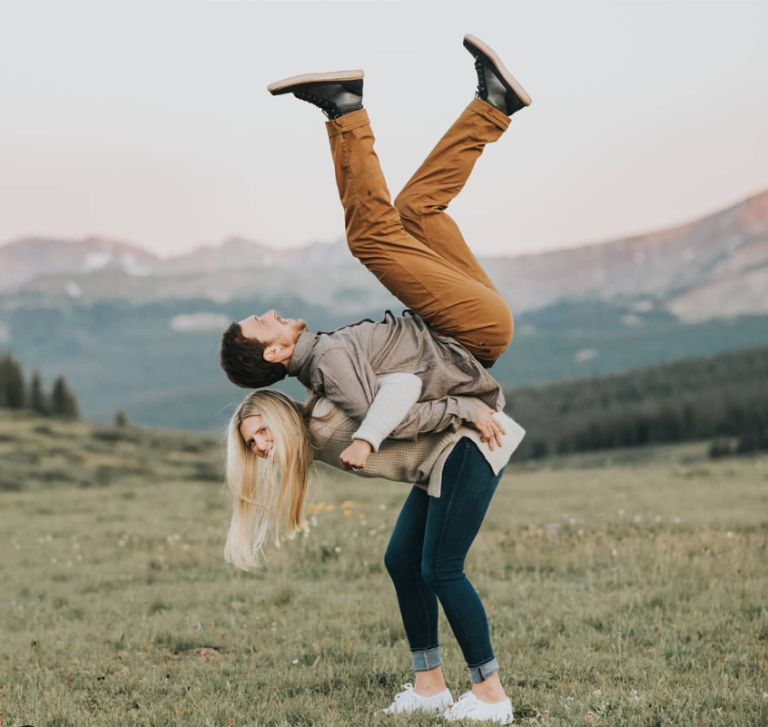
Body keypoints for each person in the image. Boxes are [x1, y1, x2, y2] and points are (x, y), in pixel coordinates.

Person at [218, 33, 532, 477]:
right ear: (273, 353)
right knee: (370, 238)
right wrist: (462, 409)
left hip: (468, 324)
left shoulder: (322, 362)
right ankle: (344, 109)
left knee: (414, 212)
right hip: (469, 330)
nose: (271, 313)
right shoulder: (326, 365)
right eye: (262, 323)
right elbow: (392, 414)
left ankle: (493, 105)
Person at [223, 386, 525, 724]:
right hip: (439, 460)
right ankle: (429, 689)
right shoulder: (312, 437)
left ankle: (491, 695)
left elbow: (402, 388)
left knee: (441, 569)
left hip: (471, 445)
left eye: (263, 431)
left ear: (281, 418)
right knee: (401, 559)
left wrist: (469, 410)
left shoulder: (328, 421)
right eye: (252, 443)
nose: (261, 446)